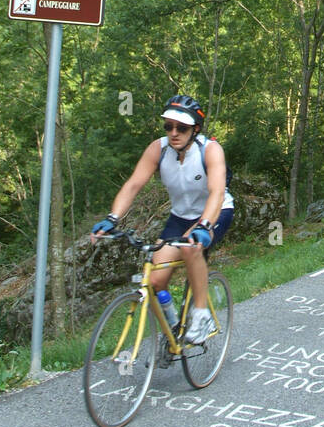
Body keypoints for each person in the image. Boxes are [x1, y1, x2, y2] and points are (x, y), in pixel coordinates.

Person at [90, 95, 233, 343]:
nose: (174, 132)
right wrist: (112, 218)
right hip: (179, 217)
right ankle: (174, 328)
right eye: (169, 126)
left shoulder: (210, 150)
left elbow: (217, 192)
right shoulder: (159, 149)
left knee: (190, 247)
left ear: (195, 129)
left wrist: (204, 226)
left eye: (182, 128)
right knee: (155, 280)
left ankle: (201, 314)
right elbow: (134, 184)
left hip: (216, 211)